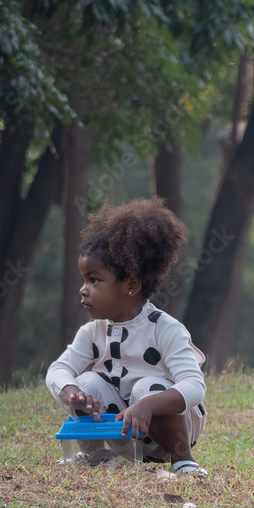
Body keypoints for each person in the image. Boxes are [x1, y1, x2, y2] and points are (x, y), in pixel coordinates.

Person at [46, 197, 209, 476]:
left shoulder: (165, 328)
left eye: (94, 280)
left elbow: (195, 386)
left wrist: (147, 405)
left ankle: (184, 460)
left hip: (168, 432)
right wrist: (73, 393)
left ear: (131, 285)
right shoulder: (93, 331)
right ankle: (93, 455)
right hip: (123, 431)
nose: (83, 290)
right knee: (86, 381)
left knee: (147, 387)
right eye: (83, 280)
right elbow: (58, 369)